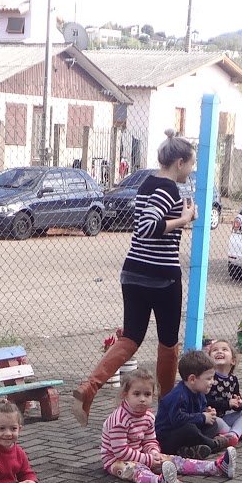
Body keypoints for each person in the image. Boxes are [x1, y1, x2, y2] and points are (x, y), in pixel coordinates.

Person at [73, 135, 198, 424]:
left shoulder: (147, 184)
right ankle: (168, 411)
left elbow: (151, 222)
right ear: (179, 162)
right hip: (162, 276)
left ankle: (89, 388)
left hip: (133, 273)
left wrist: (183, 217)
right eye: (191, 164)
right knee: (168, 344)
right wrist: (184, 219)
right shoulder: (168, 189)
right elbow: (148, 227)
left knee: (130, 338)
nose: (191, 170)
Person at [100, 370, 181, 483]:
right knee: (136, 470)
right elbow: (120, 451)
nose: (142, 399)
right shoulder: (119, 420)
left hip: (139, 455)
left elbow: (149, 441)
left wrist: (154, 453)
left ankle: (209, 467)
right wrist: (148, 460)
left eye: (147, 394)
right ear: (125, 394)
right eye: (136, 394)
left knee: (169, 459)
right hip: (115, 460)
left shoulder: (148, 416)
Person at [157, 348, 240, 464]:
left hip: (186, 433)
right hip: (168, 439)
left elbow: (199, 411)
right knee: (190, 429)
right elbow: (178, 420)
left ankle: (189, 450)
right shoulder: (179, 396)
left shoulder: (199, 392)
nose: (212, 382)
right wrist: (202, 417)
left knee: (213, 424)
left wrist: (207, 413)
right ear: (192, 379)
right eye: (208, 378)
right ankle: (213, 444)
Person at [207, 338, 242, 442]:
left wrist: (239, 403)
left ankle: (233, 434)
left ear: (233, 361)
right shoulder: (208, 378)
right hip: (210, 418)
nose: (219, 351)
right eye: (215, 350)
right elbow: (205, 401)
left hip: (224, 418)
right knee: (217, 421)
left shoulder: (233, 380)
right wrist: (227, 404)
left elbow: (236, 399)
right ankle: (239, 432)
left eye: (224, 349)